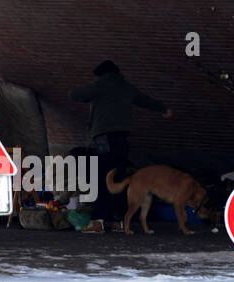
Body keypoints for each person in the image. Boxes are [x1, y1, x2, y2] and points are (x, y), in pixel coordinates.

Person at [69, 59, 172, 232]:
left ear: (101, 75)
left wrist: (87, 88)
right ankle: (120, 221)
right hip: (122, 140)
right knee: (119, 179)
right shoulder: (127, 87)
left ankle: (99, 221)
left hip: (103, 139)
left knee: (101, 179)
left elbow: (76, 95)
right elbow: (145, 100)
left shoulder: (100, 85)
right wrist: (164, 109)